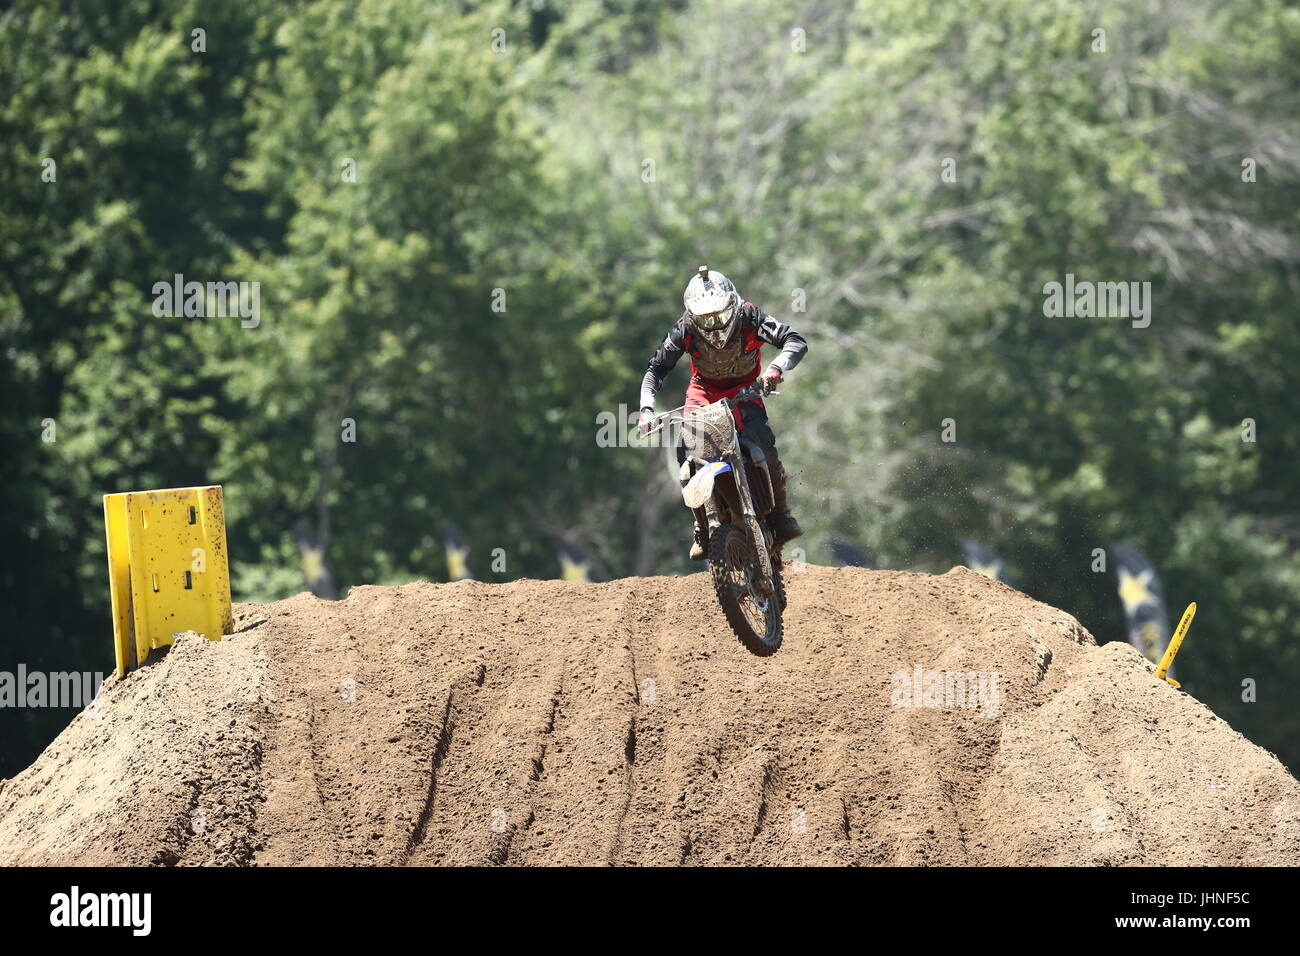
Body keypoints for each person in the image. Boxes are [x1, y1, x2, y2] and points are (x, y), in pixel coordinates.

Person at [638, 265, 808, 560]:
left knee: (761, 439)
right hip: (704, 392)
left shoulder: (751, 317)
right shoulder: (685, 329)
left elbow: (795, 340)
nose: (714, 326)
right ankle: (702, 526)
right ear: (693, 315)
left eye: (719, 316)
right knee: (687, 452)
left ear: (733, 304)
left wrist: (775, 370)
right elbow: (656, 368)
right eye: (706, 320)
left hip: (746, 390)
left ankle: (780, 513)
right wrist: (646, 409)